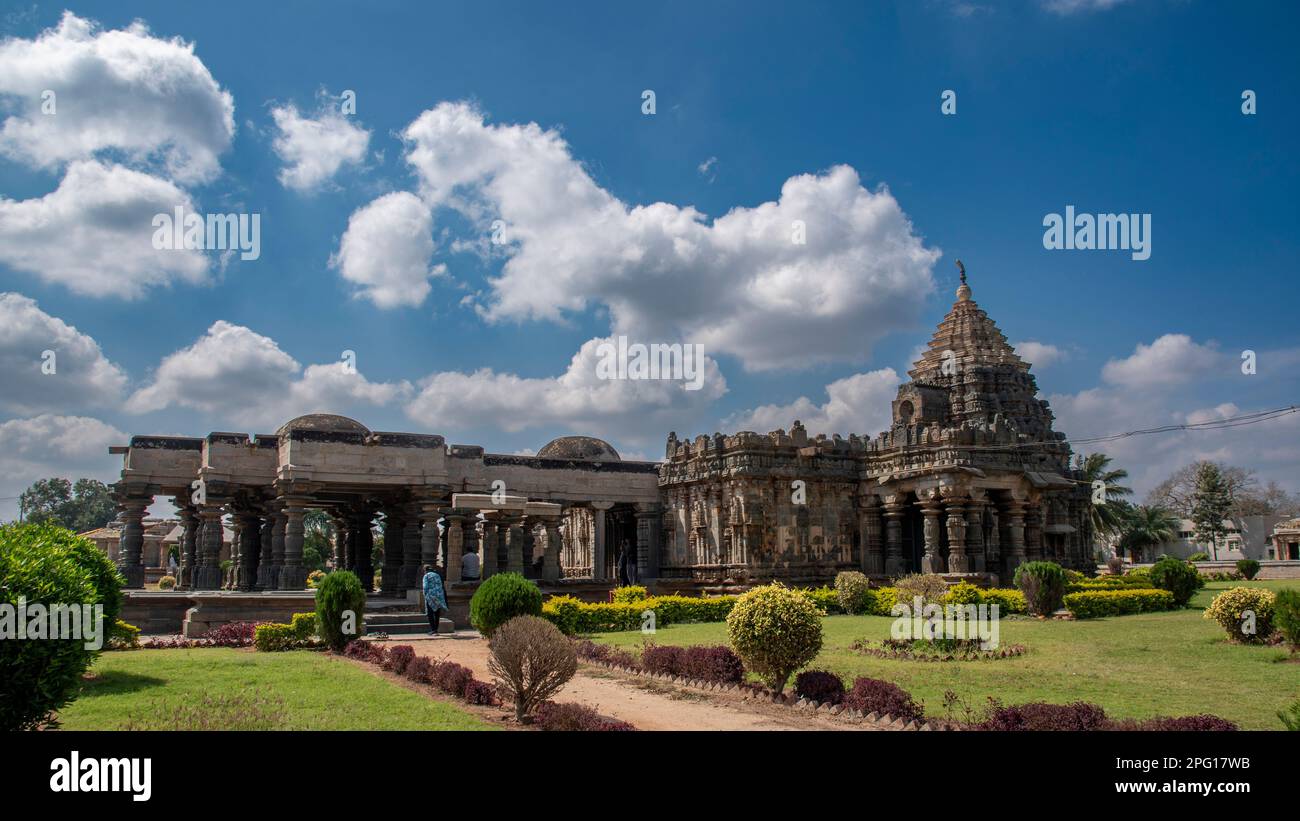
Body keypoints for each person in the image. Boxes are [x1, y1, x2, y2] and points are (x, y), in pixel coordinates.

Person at [422, 564, 448, 635]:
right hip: (439, 596)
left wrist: (425, 595)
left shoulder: (426, 576)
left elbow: (425, 587)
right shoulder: (437, 575)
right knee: (437, 613)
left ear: (425, 570)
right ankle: (436, 629)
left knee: (430, 613)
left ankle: (433, 630)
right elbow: (441, 585)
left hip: (430, 596)